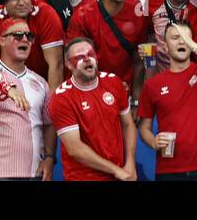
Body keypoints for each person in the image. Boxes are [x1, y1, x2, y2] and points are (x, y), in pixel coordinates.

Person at [137, 20, 197, 181]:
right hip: (168, 170)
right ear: (165, 47)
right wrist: (153, 141)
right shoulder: (153, 84)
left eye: (186, 38)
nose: (182, 41)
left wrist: (194, 46)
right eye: (175, 37)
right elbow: (144, 128)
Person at [0, 16, 55, 180]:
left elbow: (49, 124)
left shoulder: (40, 82)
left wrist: (50, 158)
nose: (25, 39)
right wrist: (7, 89)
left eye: (29, 36)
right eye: (17, 35)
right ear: (1, 40)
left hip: (35, 172)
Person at [49, 38, 137, 181]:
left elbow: (128, 125)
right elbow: (75, 148)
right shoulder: (61, 98)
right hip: (82, 177)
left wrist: (130, 164)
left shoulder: (114, 82)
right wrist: (116, 170)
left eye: (90, 54)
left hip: (119, 175)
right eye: (79, 57)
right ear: (68, 64)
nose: (87, 59)